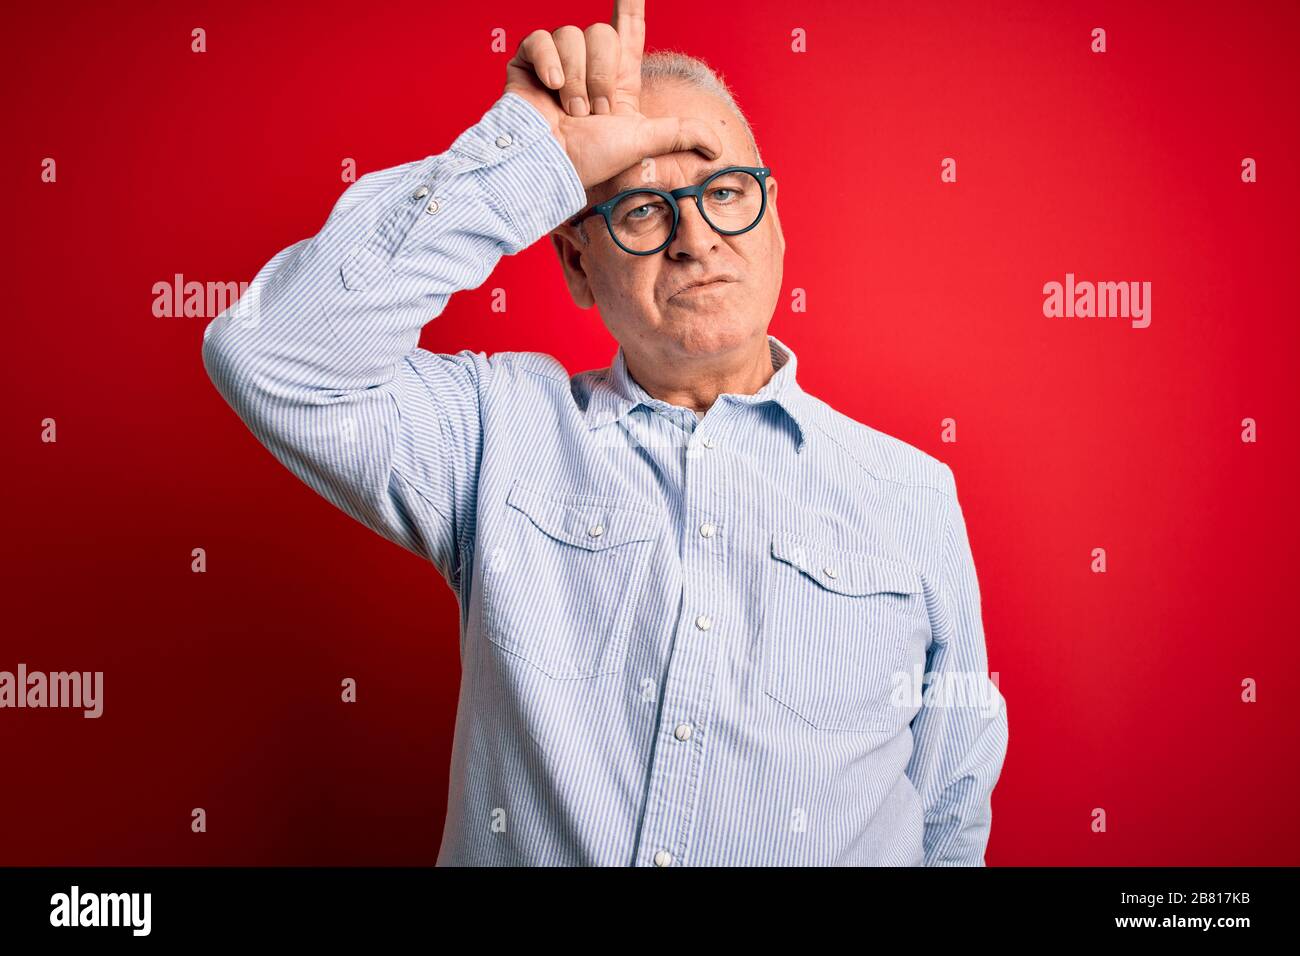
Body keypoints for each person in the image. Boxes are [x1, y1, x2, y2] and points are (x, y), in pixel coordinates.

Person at [201, 0, 1008, 866]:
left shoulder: (913, 496)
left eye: (725, 192)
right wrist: (531, 150)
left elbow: (947, 819)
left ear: (774, 224)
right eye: (644, 211)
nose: (696, 239)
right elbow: (272, 354)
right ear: (578, 264)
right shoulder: (495, 433)